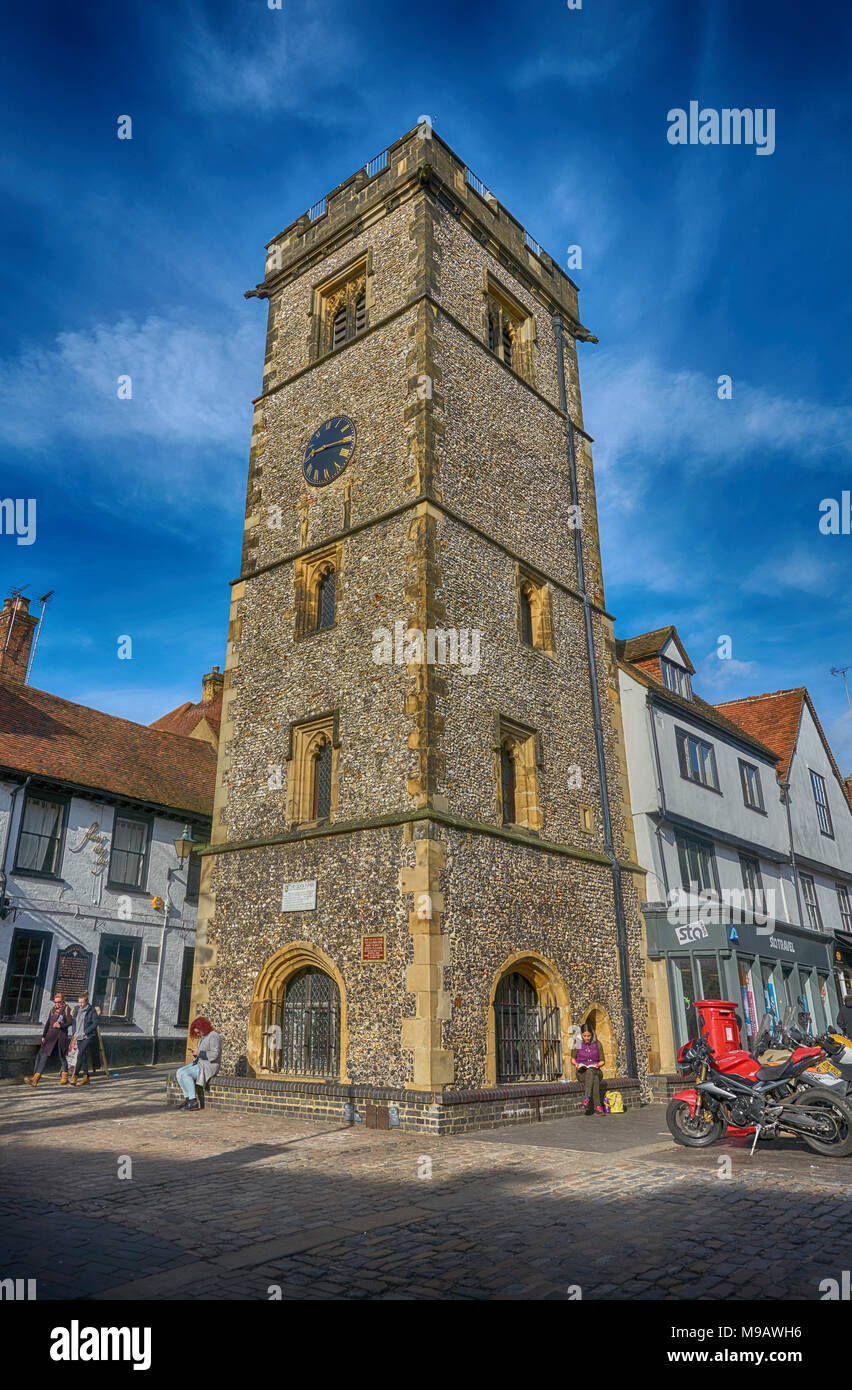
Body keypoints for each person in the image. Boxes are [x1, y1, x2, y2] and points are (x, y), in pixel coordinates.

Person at [24, 991, 73, 1087]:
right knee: (44, 1056)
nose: (57, 1004)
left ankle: (65, 1077)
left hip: (61, 1037)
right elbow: (48, 1023)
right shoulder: (52, 1010)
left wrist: (61, 1025)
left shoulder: (67, 1009)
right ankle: (35, 1079)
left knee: (62, 1056)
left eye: (59, 1002)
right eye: (55, 1002)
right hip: (50, 1037)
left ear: (63, 1001)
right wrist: (43, 1035)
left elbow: (70, 1022)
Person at [175, 1016, 221, 1111]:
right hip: (200, 1063)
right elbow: (201, 1054)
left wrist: (200, 1053)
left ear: (204, 1027)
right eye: (196, 1033)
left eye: (198, 1032)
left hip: (210, 1065)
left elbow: (215, 1054)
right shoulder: (202, 1037)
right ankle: (187, 1099)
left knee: (185, 1074)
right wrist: (196, 1054)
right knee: (179, 1072)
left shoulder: (213, 1035)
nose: (198, 1034)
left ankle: (193, 1101)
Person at [568, 1022, 607, 1115]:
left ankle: (587, 1098)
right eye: (584, 1035)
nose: (586, 1038)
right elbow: (572, 1059)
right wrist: (576, 1064)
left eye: (588, 1036)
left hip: (596, 1070)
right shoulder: (578, 1043)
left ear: (592, 1034)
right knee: (595, 1080)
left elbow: (602, 1061)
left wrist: (597, 1065)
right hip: (582, 1072)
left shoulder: (598, 1044)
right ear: (581, 1035)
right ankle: (598, 1107)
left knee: (592, 1071)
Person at [69, 992, 100, 1086]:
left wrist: (86, 1032)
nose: (80, 1004)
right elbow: (74, 1021)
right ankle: (86, 1077)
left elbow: (95, 1023)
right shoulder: (77, 1009)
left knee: (80, 1054)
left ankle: (75, 1076)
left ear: (86, 1002)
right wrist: (74, 1032)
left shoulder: (91, 1010)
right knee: (84, 1057)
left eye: (82, 1003)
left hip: (87, 1036)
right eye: (79, 1002)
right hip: (78, 1035)